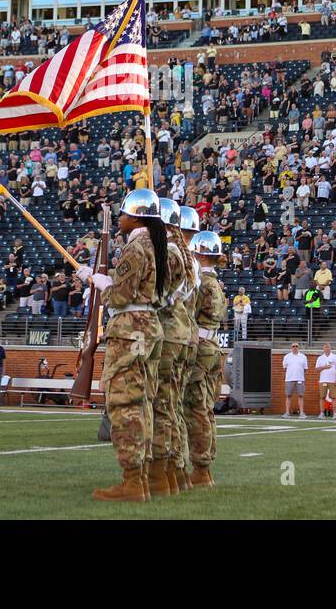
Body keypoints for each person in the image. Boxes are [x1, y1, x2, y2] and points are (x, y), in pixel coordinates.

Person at [77, 188, 165, 503]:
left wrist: (101, 283)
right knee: (142, 402)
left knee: (125, 402)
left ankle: (132, 481)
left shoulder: (136, 247)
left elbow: (120, 296)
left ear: (136, 217)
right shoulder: (156, 246)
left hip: (131, 328)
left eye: (124, 214)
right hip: (147, 327)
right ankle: (142, 477)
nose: (120, 219)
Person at [147, 199, 197, 497]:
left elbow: (158, 294)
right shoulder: (187, 256)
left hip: (168, 333)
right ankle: (177, 472)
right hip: (183, 334)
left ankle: (164, 474)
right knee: (172, 406)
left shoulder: (173, 253)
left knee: (162, 405)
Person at [184, 230, 227, 488]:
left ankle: (201, 469)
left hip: (200, 347)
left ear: (198, 253)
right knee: (206, 409)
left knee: (196, 407)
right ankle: (204, 466)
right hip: (212, 345)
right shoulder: (216, 284)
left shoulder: (201, 284)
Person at [282, 342, 308, 418]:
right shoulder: (287, 356)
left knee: (300, 396)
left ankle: (302, 413)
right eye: (293, 346)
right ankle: (287, 412)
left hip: (300, 379)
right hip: (289, 379)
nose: (295, 347)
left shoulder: (303, 356)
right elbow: (284, 368)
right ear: (291, 347)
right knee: (288, 396)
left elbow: (305, 369)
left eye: (296, 346)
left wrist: (299, 375)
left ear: (298, 347)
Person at [315, 342, 336, 418]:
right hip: (323, 380)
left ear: (330, 348)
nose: (327, 349)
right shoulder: (320, 358)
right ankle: (322, 413)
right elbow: (317, 369)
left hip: (332, 380)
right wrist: (324, 367)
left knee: (333, 397)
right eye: (325, 347)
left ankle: (335, 413)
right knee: (322, 397)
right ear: (323, 349)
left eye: (328, 347)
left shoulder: (335, 357)